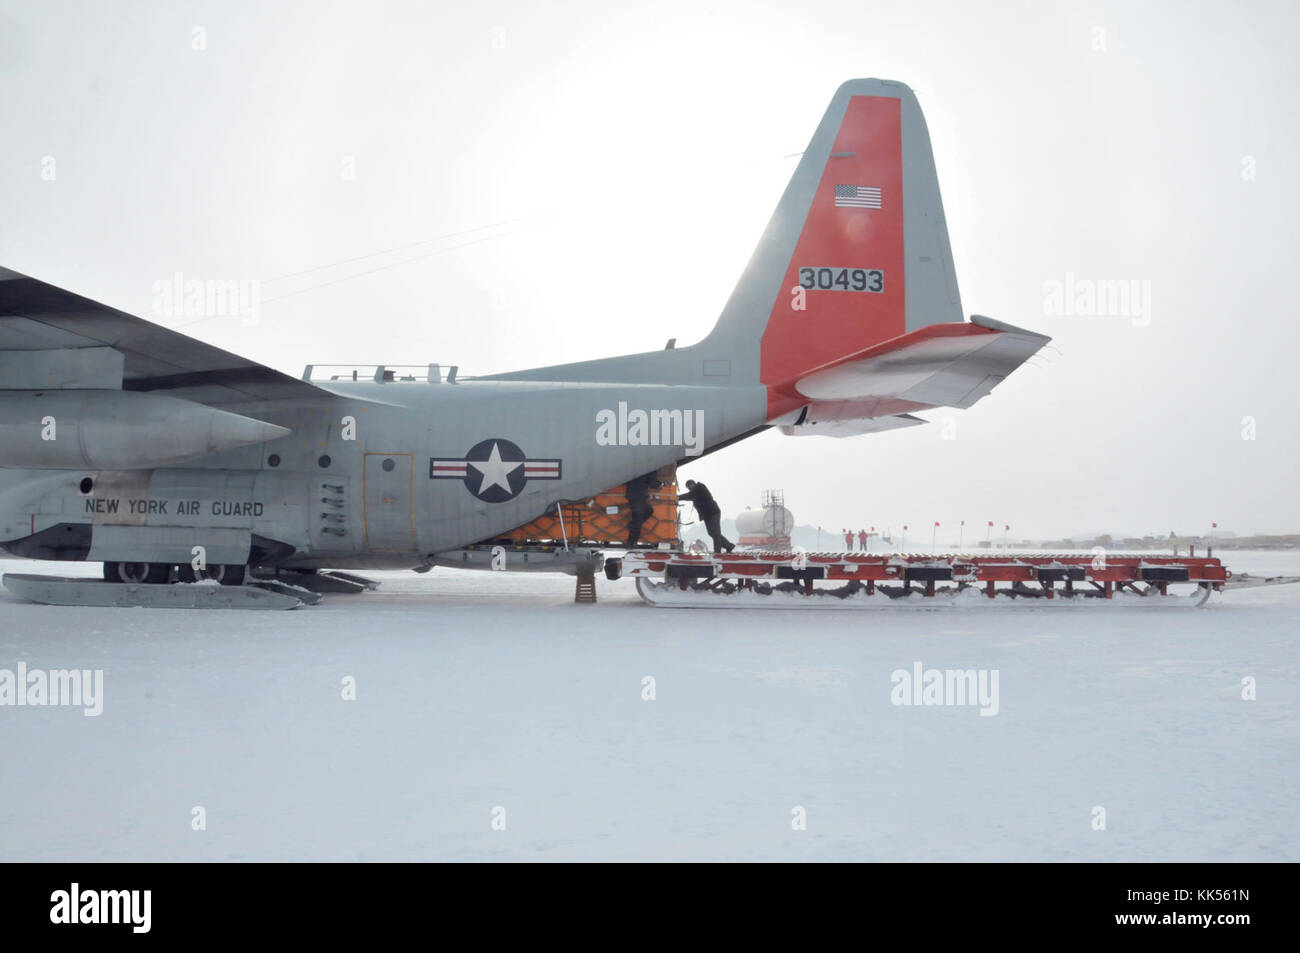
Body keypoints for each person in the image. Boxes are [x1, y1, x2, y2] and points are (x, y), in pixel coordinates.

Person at [679, 479, 734, 554]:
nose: (689, 488)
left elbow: (690, 496)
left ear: (693, 484)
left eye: (689, 486)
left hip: (713, 512)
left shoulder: (700, 488)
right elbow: (690, 495)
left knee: (715, 533)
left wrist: (677, 497)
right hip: (707, 514)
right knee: (711, 533)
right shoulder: (695, 491)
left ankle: (717, 551)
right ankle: (728, 546)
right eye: (688, 487)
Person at [624, 472, 662, 548]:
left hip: (633, 496)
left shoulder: (634, 470)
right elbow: (652, 483)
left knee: (648, 511)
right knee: (638, 521)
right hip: (638, 497)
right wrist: (660, 484)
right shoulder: (648, 471)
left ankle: (632, 525)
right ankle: (631, 542)